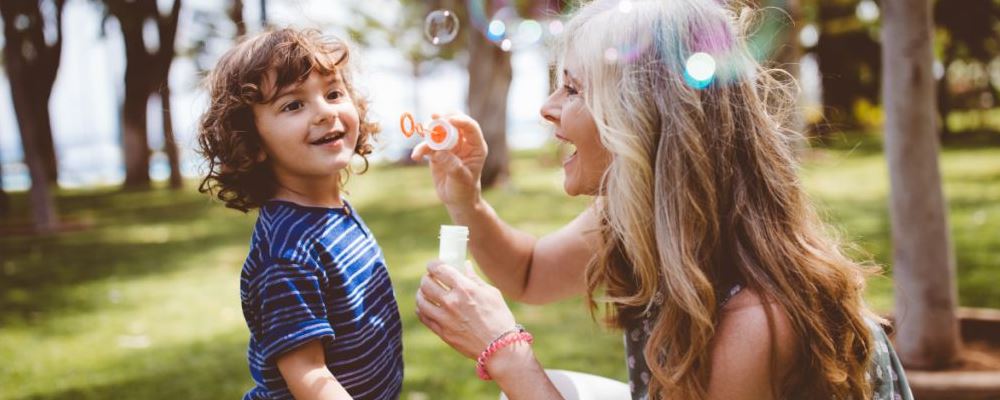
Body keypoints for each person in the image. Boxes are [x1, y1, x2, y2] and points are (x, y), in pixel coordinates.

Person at [411, 0, 913, 399]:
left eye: (572, 89)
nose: (546, 108)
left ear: (641, 121)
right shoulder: (637, 217)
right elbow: (530, 274)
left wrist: (507, 355)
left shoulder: (757, 322)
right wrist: (467, 202)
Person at [197, 28, 402, 400]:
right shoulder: (286, 253)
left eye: (334, 93)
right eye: (293, 104)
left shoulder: (332, 213)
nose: (325, 112)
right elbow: (309, 377)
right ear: (253, 142)